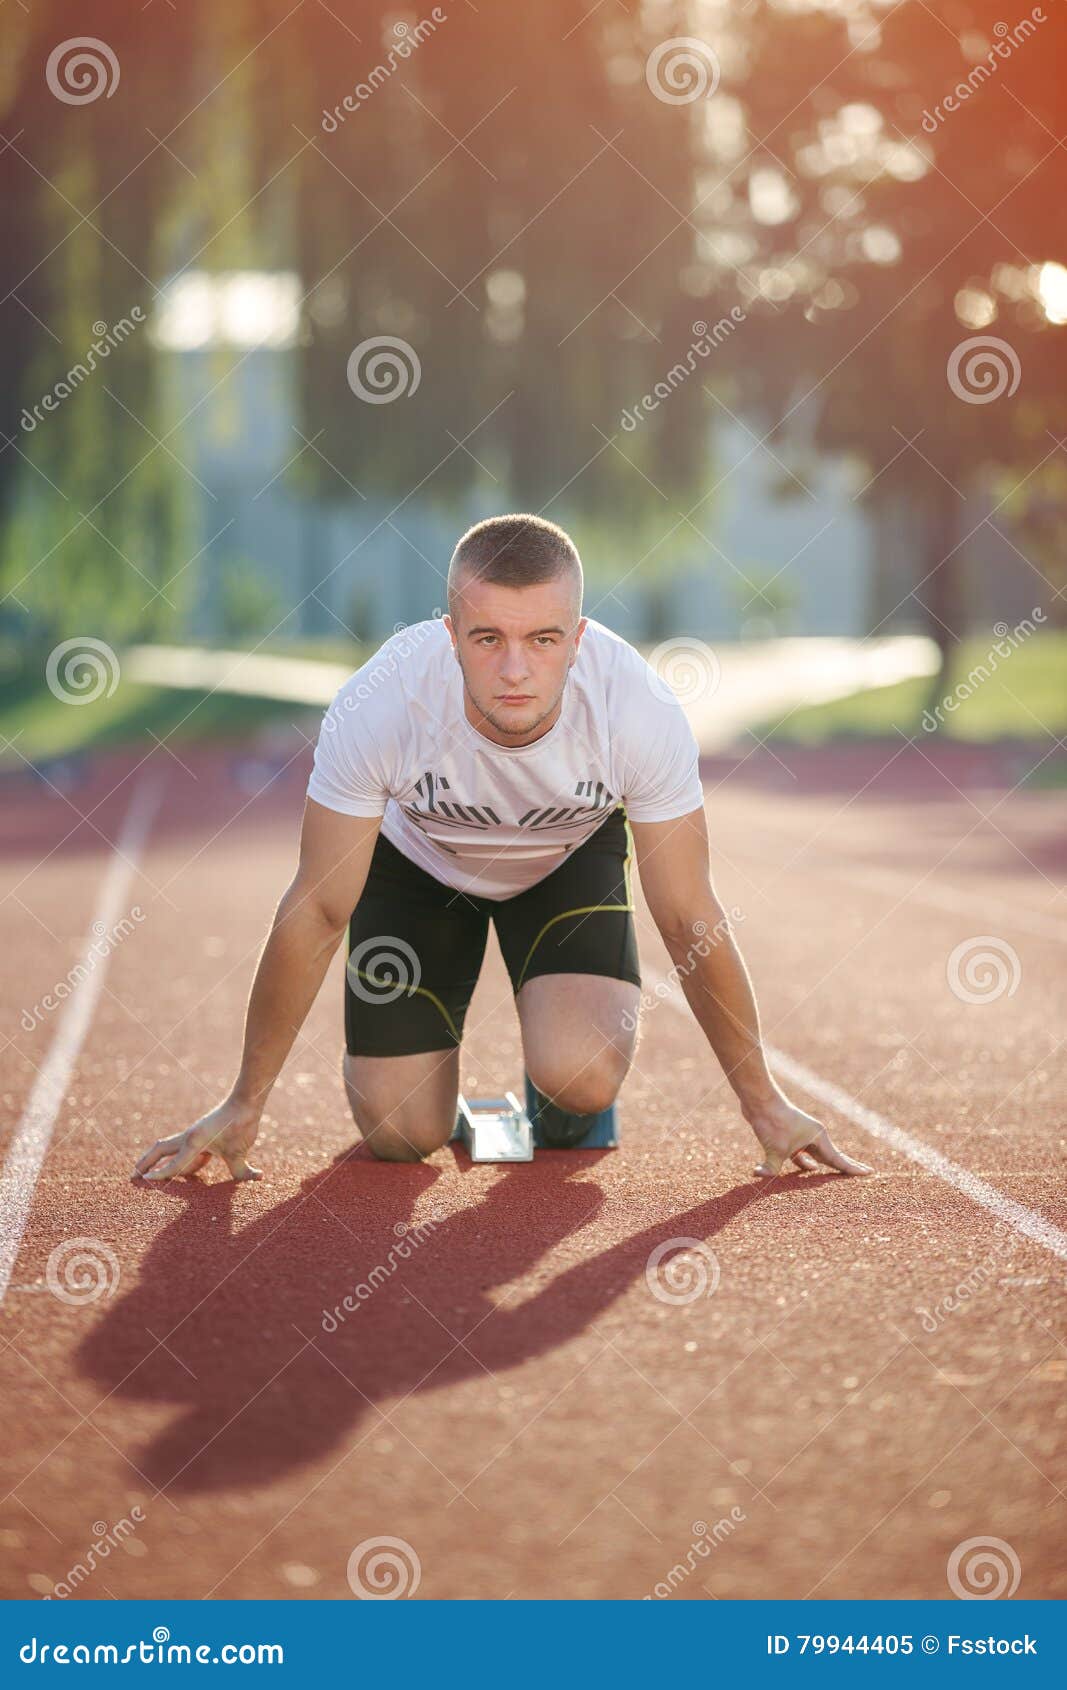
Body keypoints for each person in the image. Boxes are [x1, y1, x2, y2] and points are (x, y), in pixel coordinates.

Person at [135, 514, 872, 1182]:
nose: (515, 670)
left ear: (577, 641)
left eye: (543, 640)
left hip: (564, 862)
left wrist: (764, 1104)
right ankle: (429, 1092)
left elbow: (687, 914)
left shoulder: (637, 709)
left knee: (580, 1078)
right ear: (450, 635)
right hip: (417, 868)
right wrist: (245, 1101)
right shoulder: (381, 702)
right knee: (400, 1134)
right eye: (488, 639)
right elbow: (320, 906)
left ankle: (560, 1097)